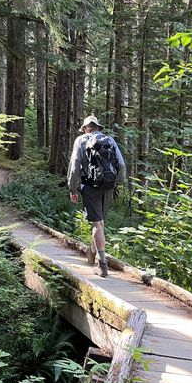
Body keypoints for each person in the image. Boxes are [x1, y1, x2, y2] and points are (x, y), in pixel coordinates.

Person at [67, 114, 125, 277]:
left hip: (90, 186)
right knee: (100, 222)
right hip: (107, 185)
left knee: (97, 224)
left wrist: (73, 188)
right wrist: (116, 183)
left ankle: (102, 264)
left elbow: (74, 166)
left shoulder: (81, 140)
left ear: (86, 128)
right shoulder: (110, 140)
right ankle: (91, 252)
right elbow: (121, 164)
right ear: (98, 128)